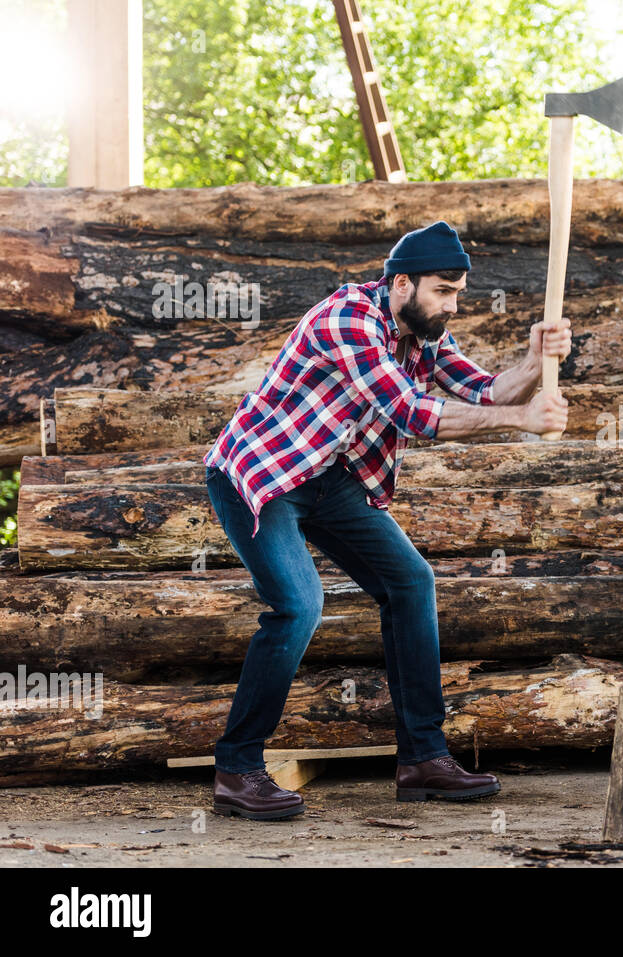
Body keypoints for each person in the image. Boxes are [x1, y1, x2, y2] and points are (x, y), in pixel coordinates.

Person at [203, 221, 570, 820]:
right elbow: (412, 412)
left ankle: (423, 758)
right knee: (298, 605)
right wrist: (523, 419)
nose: (450, 305)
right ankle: (238, 768)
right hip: (261, 474)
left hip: (331, 480)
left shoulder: (421, 332)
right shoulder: (348, 320)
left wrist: (534, 361)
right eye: (442, 291)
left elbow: (483, 391)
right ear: (401, 283)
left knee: (409, 582)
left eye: (457, 294)